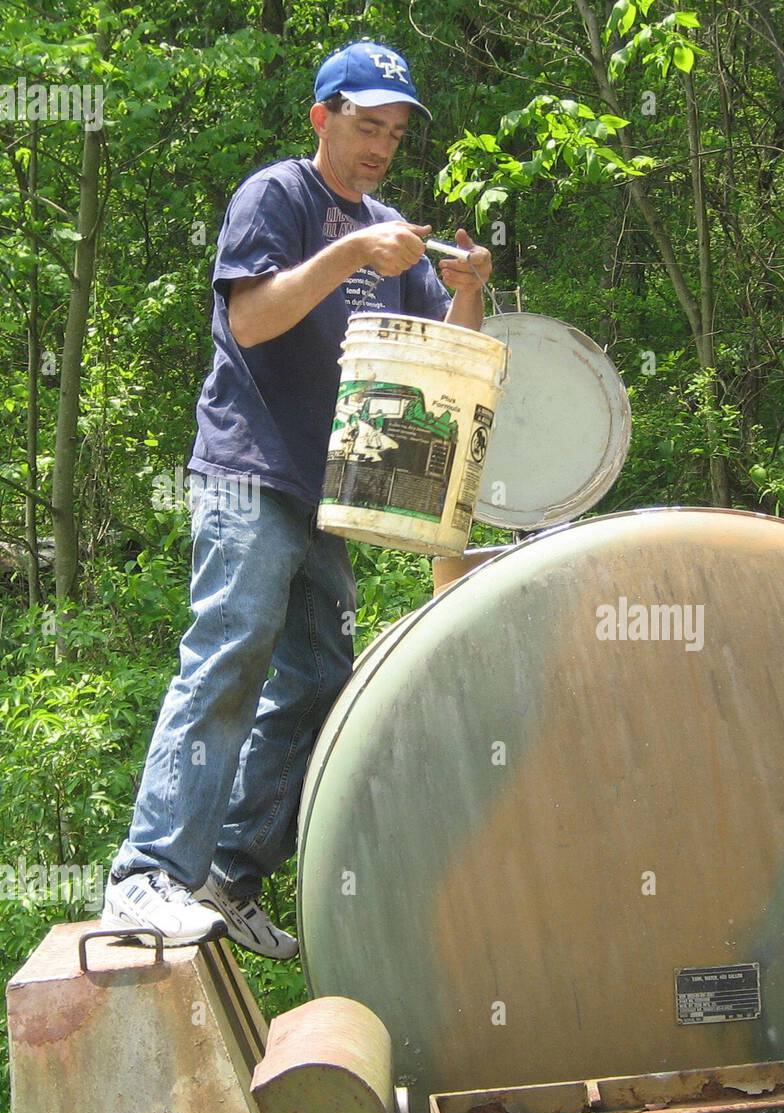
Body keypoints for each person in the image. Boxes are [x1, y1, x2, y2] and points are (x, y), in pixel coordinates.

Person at [100, 41, 492, 957]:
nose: (379, 149)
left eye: (394, 134)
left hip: (333, 486)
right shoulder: (276, 196)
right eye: (366, 127)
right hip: (247, 469)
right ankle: (146, 872)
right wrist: (350, 248)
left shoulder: (392, 229)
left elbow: (442, 347)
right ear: (322, 118)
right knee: (230, 652)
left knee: (319, 676)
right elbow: (248, 316)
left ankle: (227, 873)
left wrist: (467, 292)